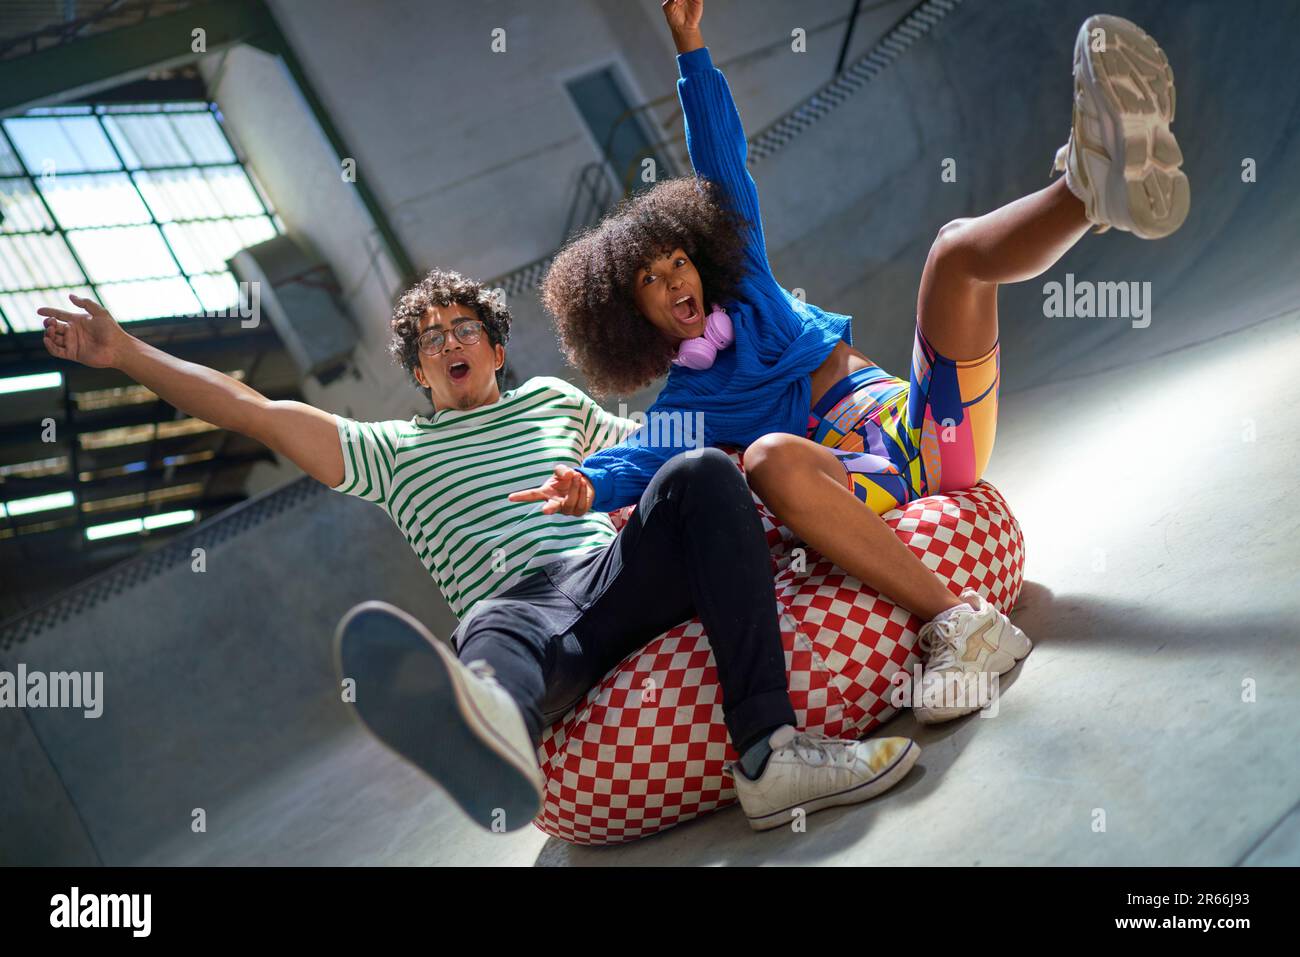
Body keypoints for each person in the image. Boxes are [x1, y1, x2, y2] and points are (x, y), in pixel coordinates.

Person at [38, 269, 919, 834]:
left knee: (699, 472)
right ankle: (495, 724)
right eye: (430, 340)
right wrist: (123, 352)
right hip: (521, 611)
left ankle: (771, 754)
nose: (449, 342)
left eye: (465, 329)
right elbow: (254, 412)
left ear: (496, 349)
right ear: (419, 374)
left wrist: (790, 437)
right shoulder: (390, 451)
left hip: (614, 576)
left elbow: (655, 450)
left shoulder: (547, 400)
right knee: (491, 641)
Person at [531, 1, 1188, 722]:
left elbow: (722, 163)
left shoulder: (751, 285)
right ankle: (959, 628)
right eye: (650, 283)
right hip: (871, 487)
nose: (674, 281)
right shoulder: (688, 400)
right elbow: (634, 462)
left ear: (702, 257)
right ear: (631, 321)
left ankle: (1089, 190)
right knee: (768, 458)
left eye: (678, 261)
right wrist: (584, 487)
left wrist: (691, 48)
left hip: (933, 434)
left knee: (955, 252)